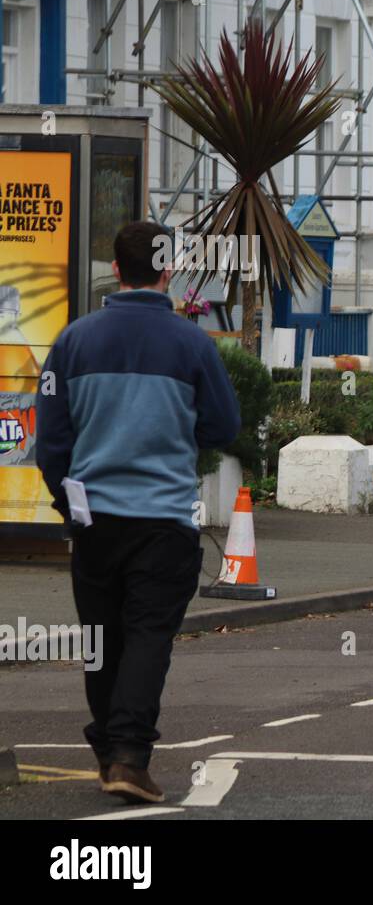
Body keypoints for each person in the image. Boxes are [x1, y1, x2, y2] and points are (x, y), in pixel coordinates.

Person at [35, 221, 240, 804]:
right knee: (149, 635)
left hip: (95, 520)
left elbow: (51, 442)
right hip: (163, 520)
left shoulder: (73, 341)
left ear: (117, 269)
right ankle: (127, 755)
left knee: (102, 638)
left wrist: (68, 502)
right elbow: (224, 426)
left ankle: (110, 752)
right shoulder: (193, 345)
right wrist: (178, 432)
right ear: (166, 271)